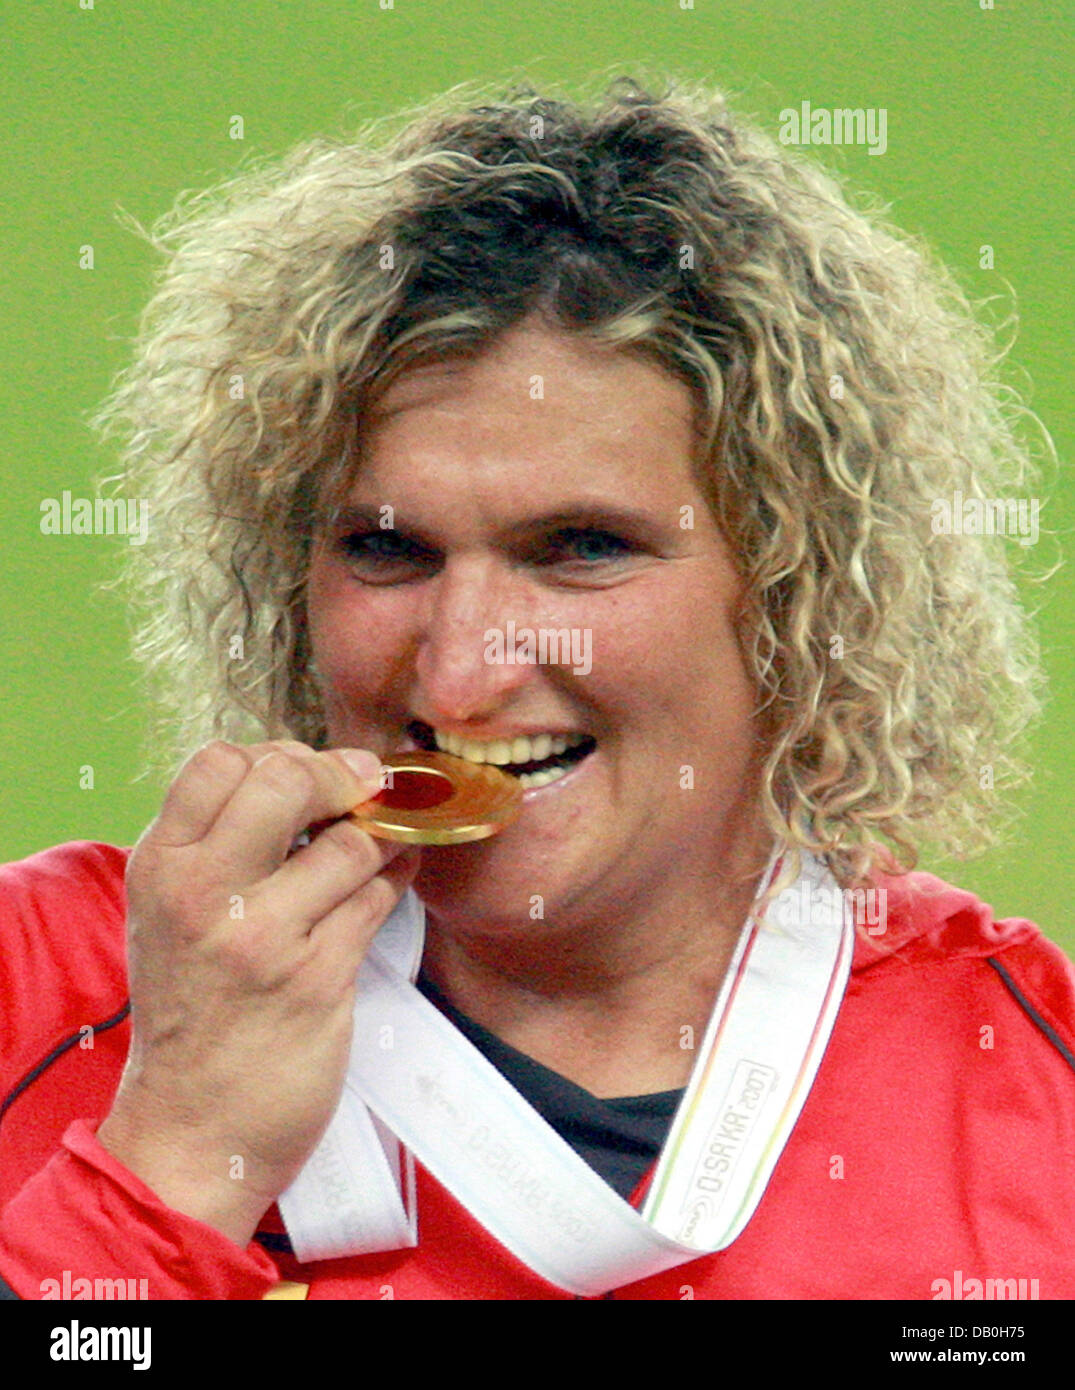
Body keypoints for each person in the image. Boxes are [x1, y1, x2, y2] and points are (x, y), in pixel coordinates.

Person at [1, 75, 1072, 1302]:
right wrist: (173, 1168)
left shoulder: (1025, 1093)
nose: (459, 677)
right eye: (387, 550)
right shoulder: (43, 987)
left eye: (579, 548)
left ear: (794, 591)